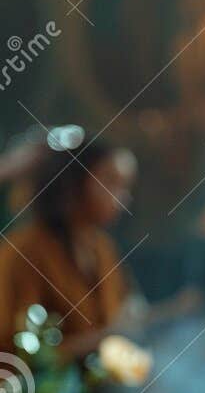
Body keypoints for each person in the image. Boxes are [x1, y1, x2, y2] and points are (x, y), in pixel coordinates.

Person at [0, 134, 139, 351]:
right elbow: (15, 351)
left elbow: (118, 313)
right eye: (112, 182)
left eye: (126, 186)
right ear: (74, 182)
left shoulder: (101, 248)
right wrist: (107, 337)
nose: (123, 198)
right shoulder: (23, 251)